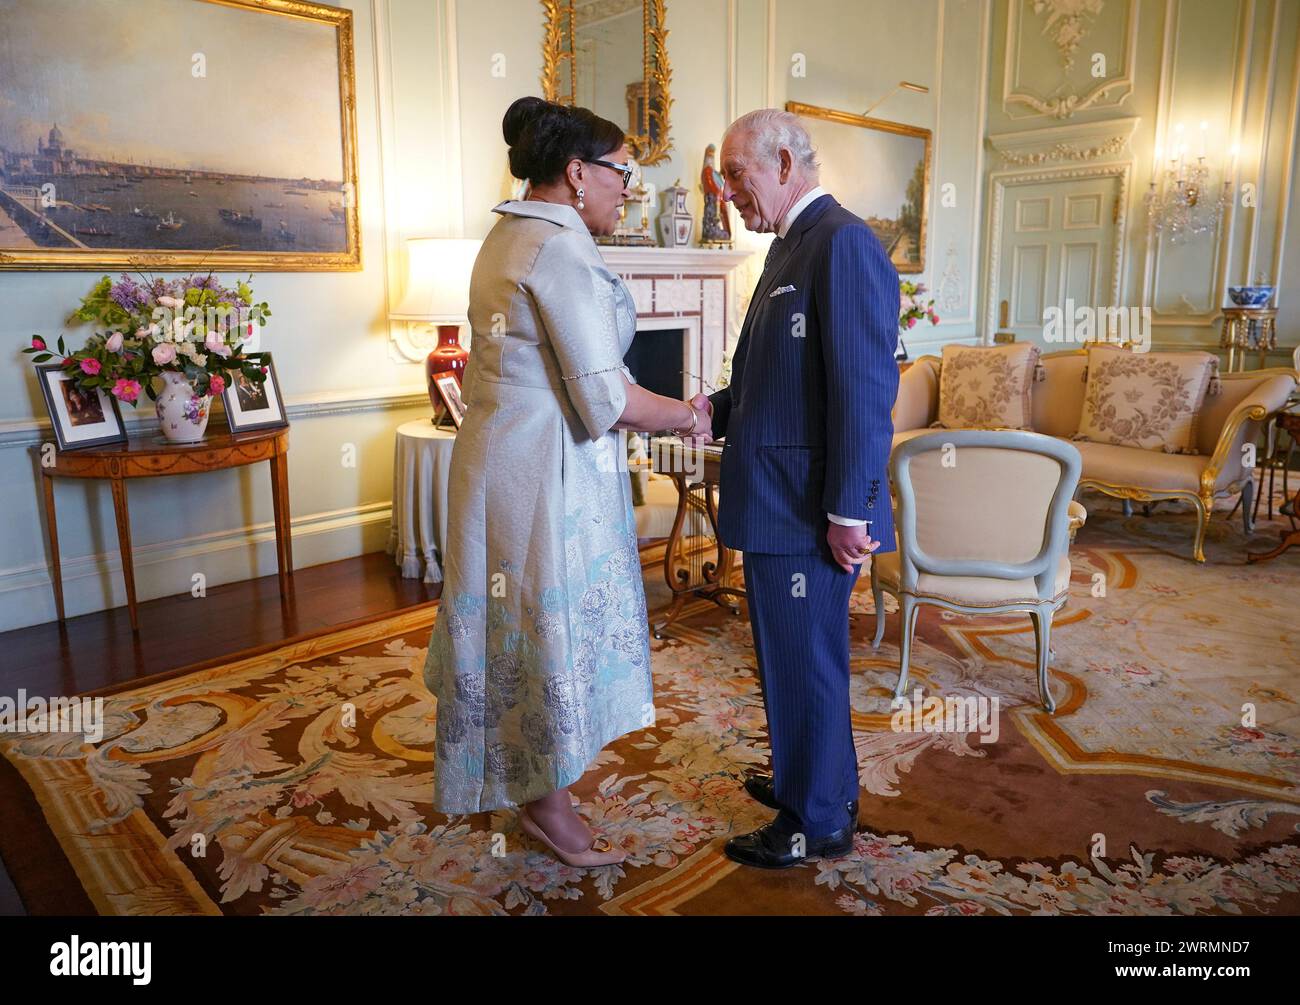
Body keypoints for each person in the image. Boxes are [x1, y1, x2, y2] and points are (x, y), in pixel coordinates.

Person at [423, 96, 712, 868]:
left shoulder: (509, 232)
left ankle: (530, 785)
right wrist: (688, 415)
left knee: (512, 618)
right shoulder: (562, 251)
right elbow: (608, 395)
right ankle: (547, 804)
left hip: (500, 455)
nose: (629, 188)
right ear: (578, 173)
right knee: (542, 625)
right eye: (622, 173)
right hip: (541, 469)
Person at [692, 108, 900, 869]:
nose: (728, 193)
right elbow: (763, 381)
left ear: (784, 165)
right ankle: (808, 783)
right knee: (787, 656)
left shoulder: (841, 244)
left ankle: (815, 819)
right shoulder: (789, 247)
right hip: (779, 503)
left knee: (807, 661)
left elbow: (864, 388)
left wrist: (850, 510)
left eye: (737, 176)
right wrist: (704, 411)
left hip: (811, 511)